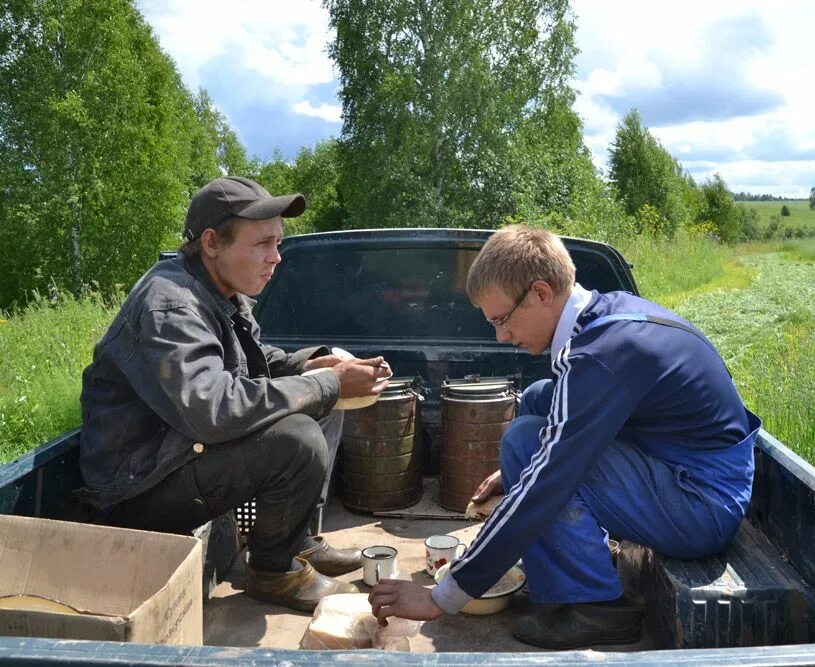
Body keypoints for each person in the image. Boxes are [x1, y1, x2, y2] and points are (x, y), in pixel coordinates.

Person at [369, 225, 761, 649]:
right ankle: (579, 565)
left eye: (501, 319)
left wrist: (443, 598)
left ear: (540, 292)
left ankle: (598, 609)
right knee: (539, 399)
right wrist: (513, 474)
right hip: (681, 472)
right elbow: (557, 420)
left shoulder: (603, 354)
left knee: (527, 444)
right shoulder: (602, 319)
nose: (501, 336)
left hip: (702, 503)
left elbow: (547, 482)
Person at [78, 176, 392, 612]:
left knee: (321, 402)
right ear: (211, 242)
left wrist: (310, 367)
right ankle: (273, 572)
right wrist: (327, 384)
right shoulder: (171, 305)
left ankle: (296, 542)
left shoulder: (218, 288)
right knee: (297, 434)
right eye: (263, 243)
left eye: (279, 242)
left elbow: (249, 359)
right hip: (136, 489)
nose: (277, 257)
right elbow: (212, 410)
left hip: (175, 455)